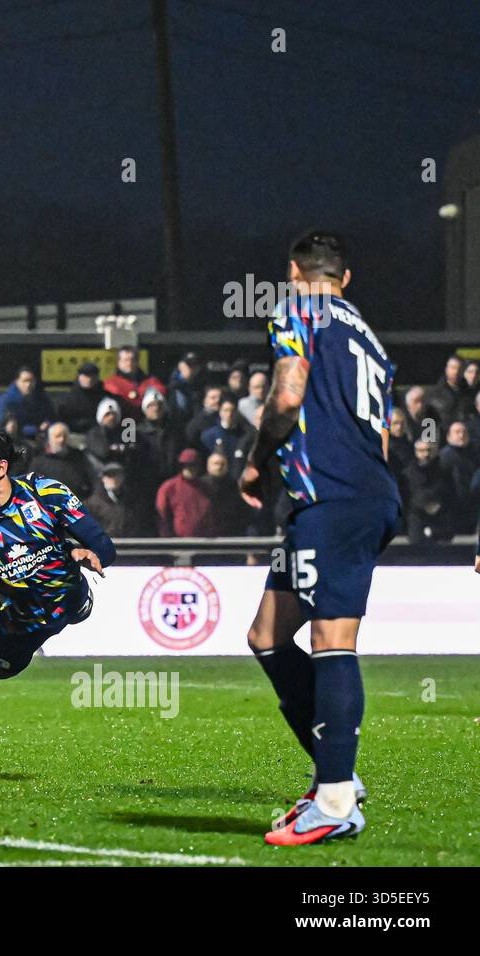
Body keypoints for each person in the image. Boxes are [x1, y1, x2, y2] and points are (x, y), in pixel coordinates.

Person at [238, 231, 400, 846]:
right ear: (346, 278)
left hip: (334, 498)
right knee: (268, 635)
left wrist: (257, 458)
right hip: (359, 494)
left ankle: (333, 800)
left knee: (332, 637)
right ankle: (339, 779)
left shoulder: (297, 308)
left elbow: (286, 393)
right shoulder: (371, 339)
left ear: (293, 272)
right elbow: (381, 435)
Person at [0, 431, 115, 679]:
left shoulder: (46, 492)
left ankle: (65, 558)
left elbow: (104, 546)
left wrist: (91, 553)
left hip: (68, 599)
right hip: (20, 619)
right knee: (4, 669)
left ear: (1, 466)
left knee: (80, 610)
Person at [156, 448, 213, 537]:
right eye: (186, 465)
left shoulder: (206, 488)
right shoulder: (169, 487)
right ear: (181, 467)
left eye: (194, 465)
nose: (190, 469)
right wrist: (167, 540)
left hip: (204, 542)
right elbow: (162, 517)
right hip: (179, 544)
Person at [103, 346, 164, 419]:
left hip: (147, 424)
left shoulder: (151, 381)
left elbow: (160, 392)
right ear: (119, 362)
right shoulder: (110, 383)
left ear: (138, 361)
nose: (129, 363)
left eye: (133, 360)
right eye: (126, 360)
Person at [0, 366, 54, 440]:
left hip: (40, 438)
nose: (28, 384)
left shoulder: (42, 398)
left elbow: (52, 417)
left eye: (31, 381)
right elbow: (2, 422)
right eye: (25, 381)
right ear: (17, 382)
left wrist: (48, 423)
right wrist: (9, 422)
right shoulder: (6, 400)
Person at [56, 362, 105, 434]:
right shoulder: (69, 397)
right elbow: (62, 419)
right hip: (72, 433)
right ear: (79, 376)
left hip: (98, 432)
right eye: (86, 376)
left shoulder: (104, 396)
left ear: (97, 377)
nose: (89, 379)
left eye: (92, 376)